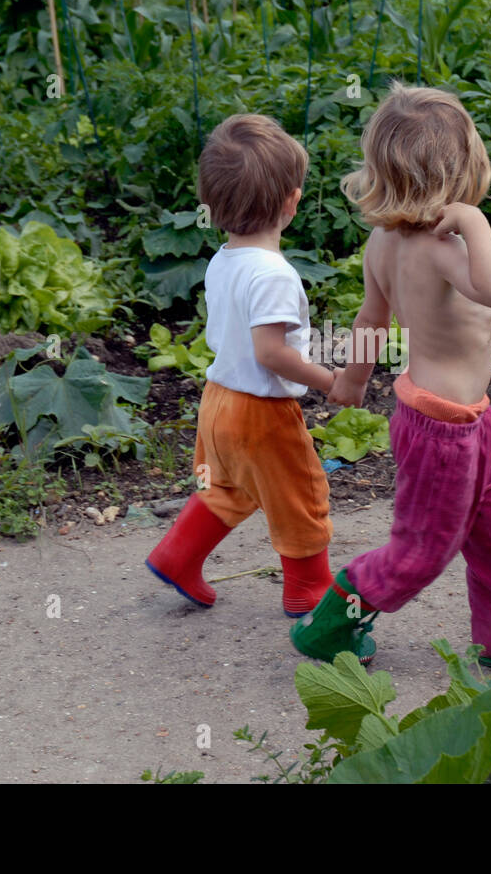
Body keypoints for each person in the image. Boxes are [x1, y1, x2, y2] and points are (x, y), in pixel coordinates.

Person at [290, 84, 491, 667]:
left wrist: (353, 381)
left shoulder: (383, 241)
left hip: (466, 421)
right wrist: (476, 223)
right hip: (442, 431)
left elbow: (369, 319)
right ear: (463, 171)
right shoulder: (444, 247)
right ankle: (330, 625)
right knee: (419, 553)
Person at [145, 114, 360, 630]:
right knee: (302, 497)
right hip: (262, 412)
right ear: (292, 200)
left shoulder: (223, 260)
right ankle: (309, 591)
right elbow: (271, 353)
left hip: (218, 400)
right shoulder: (275, 275)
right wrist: (329, 379)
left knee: (227, 487)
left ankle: (177, 556)